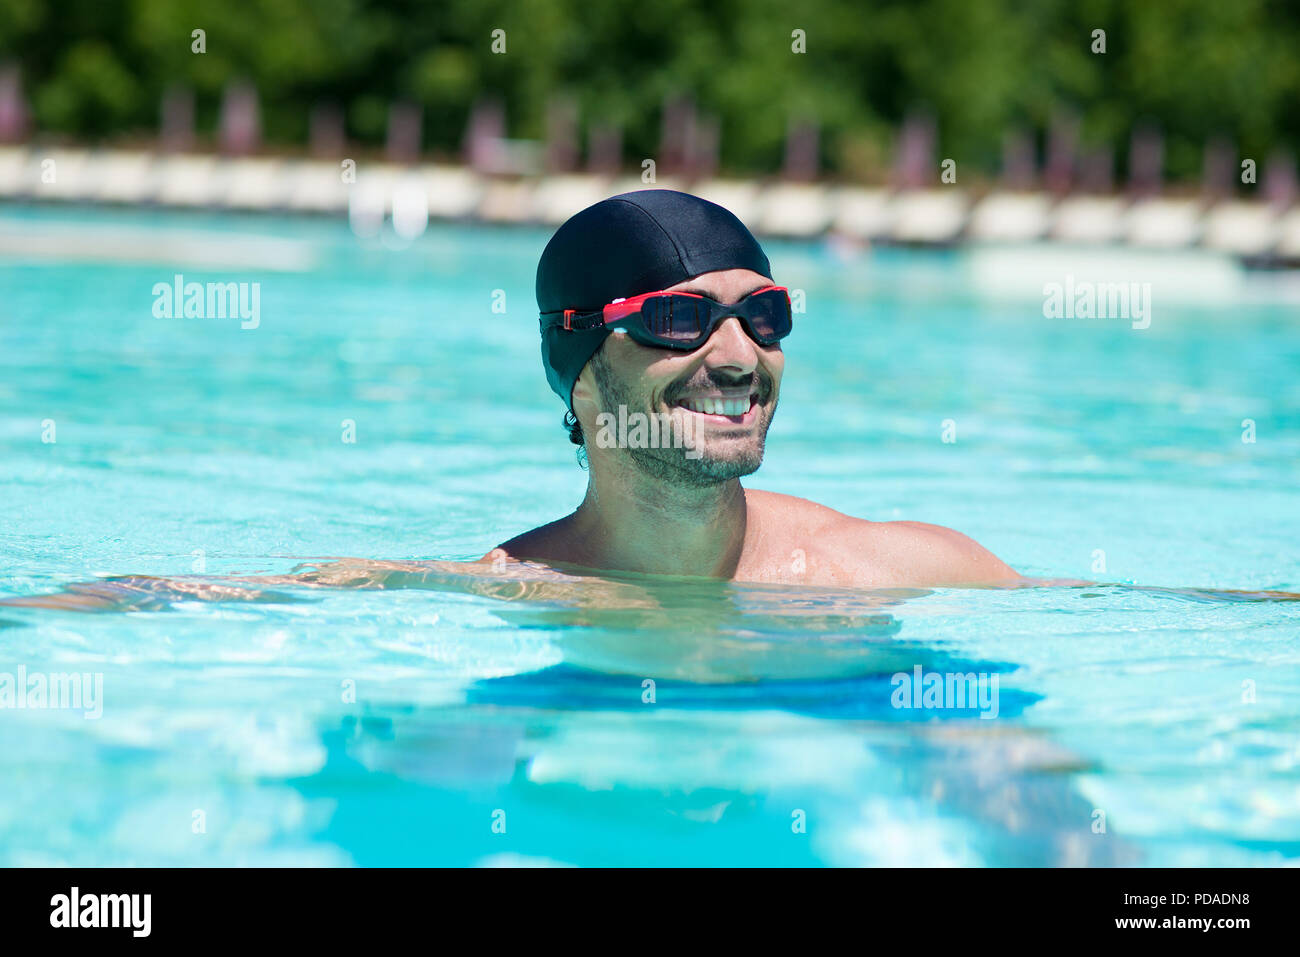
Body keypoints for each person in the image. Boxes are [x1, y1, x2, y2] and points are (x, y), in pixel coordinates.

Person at [486, 189, 1021, 587]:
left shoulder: (893, 574)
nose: (741, 359)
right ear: (580, 374)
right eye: (678, 318)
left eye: (762, 315)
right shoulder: (500, 594)